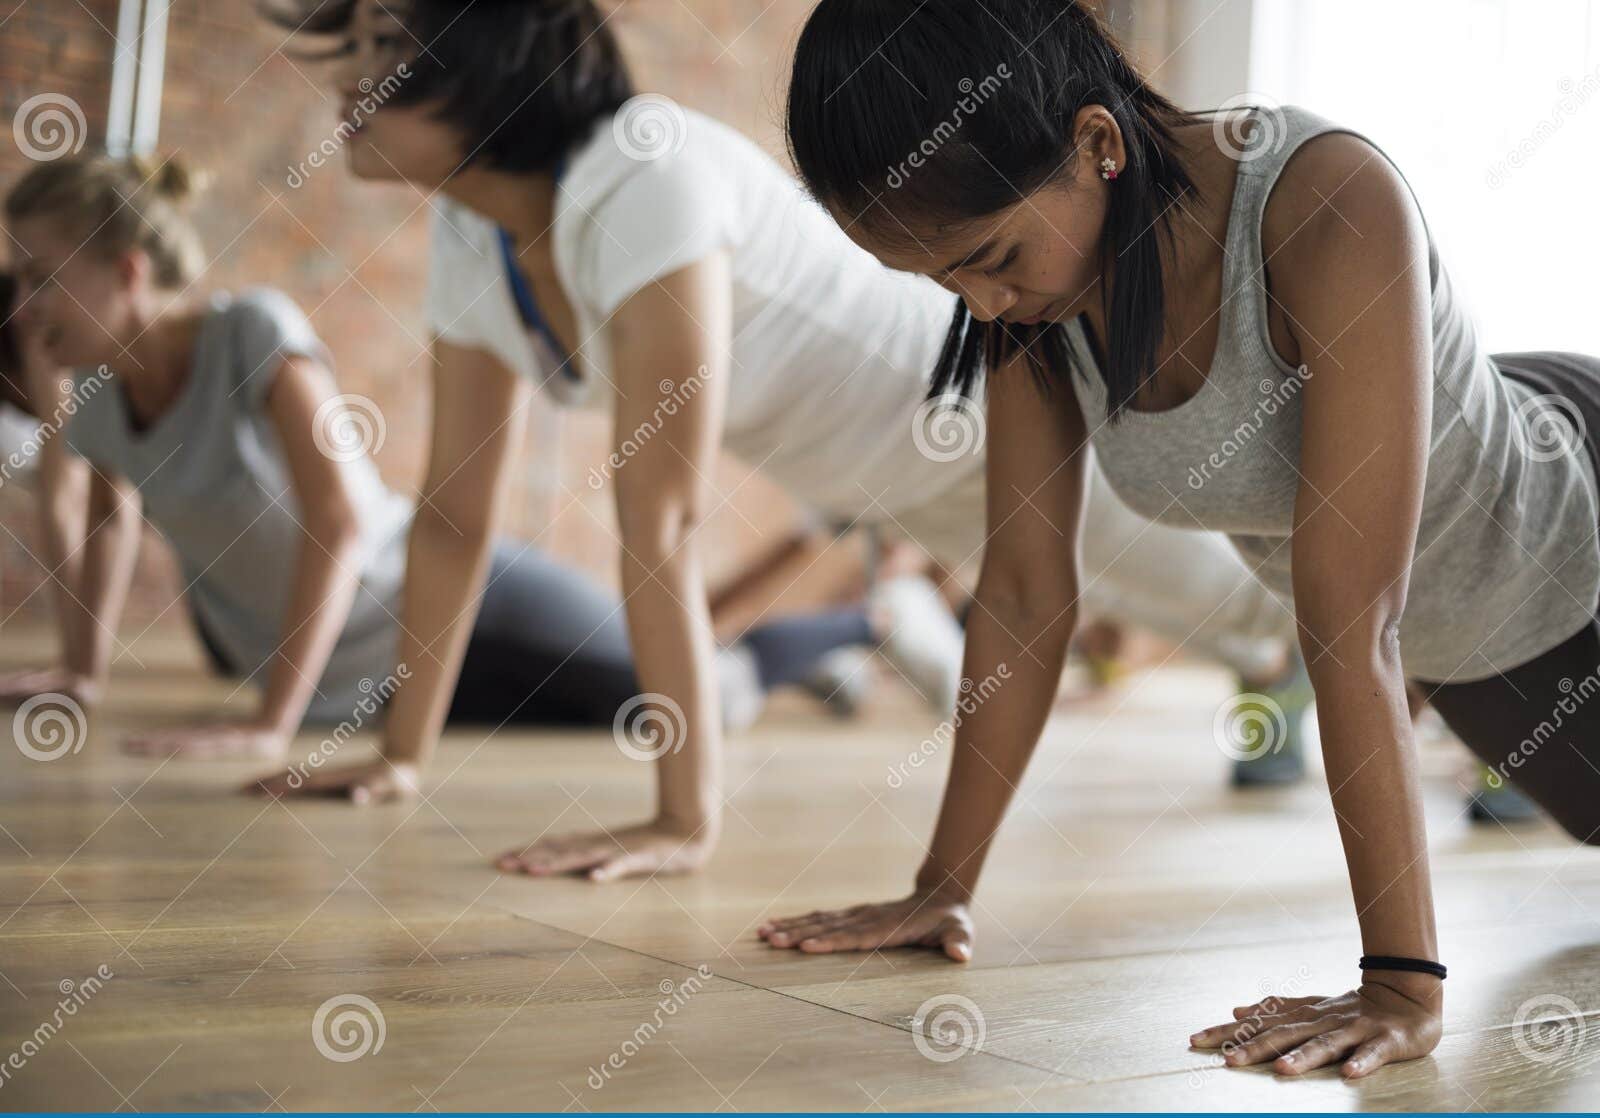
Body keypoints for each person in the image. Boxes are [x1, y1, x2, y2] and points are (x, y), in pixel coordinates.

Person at [258, 0, 1311, 879]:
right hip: (880, 479)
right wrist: (401, 755)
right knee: (1178, 605)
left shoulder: (642, 167)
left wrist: (681, 819)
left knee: (1262, 597)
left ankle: (1419, 697)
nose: (347, 91)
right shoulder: (467, 232)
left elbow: (657, 516)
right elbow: (450, 520)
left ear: (485, 73)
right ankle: (1304, 676)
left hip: (986, 407)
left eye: (381, 61)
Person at [762, 0, 1600, 1078]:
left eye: (990, 254)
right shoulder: (1037, 306)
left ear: (1096, 144)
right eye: (940, 280)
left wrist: (1401, 981)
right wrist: (943, 885)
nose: (979, 299)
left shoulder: (1323, 199)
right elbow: (1020, 596)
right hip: (1480, 639)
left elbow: (1349, 617)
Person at [0, 156, 935, 763]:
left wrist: (269, 722)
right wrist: (81, 672)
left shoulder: (252, 332)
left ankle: (863, 622)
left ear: (126, 269)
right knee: (633, 699)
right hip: (361, 683)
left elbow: (337, 518)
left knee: (694, 699)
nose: (23, 304)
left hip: (445, 593)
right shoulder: (92, 399)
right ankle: (822, 647)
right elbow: (97, 514)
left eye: (42, 273)